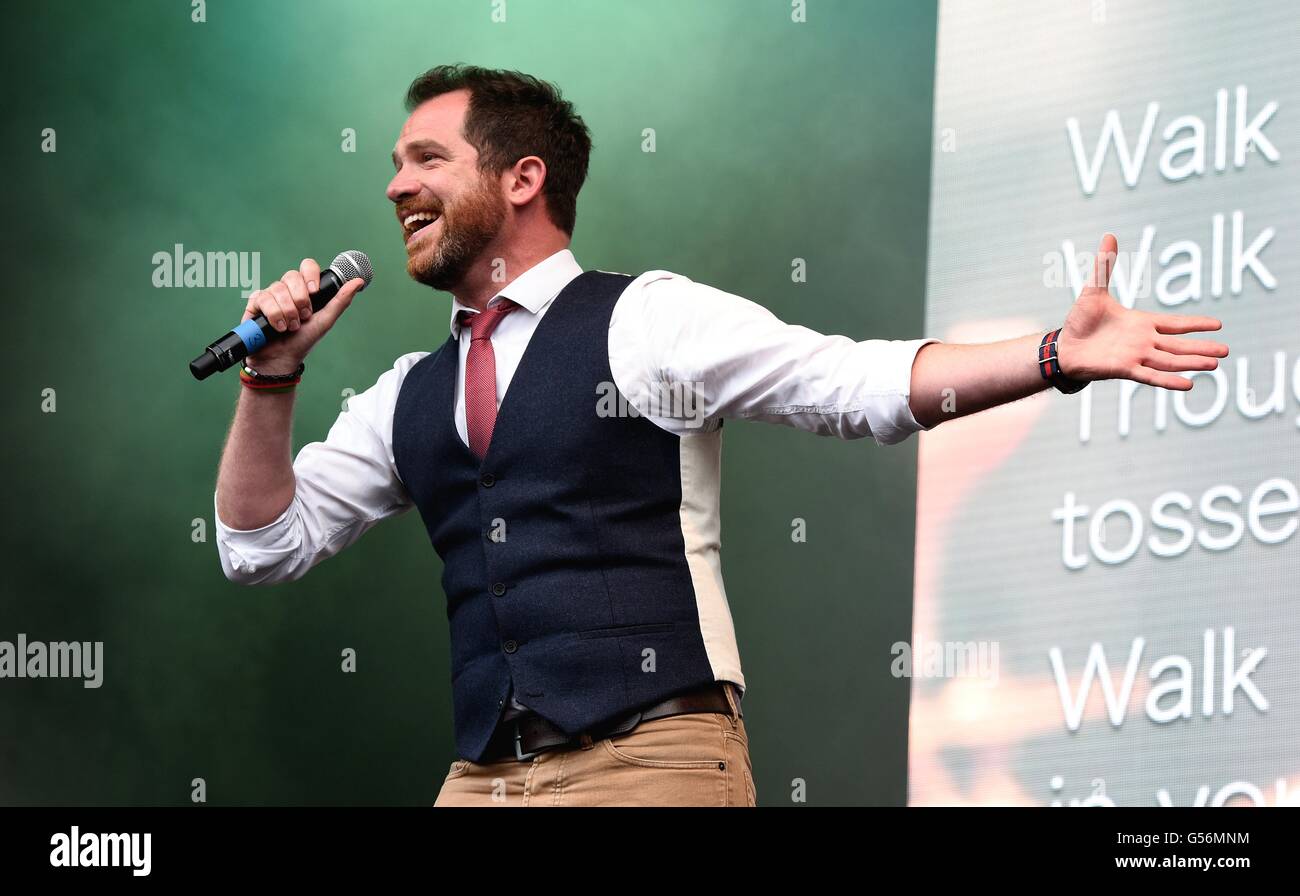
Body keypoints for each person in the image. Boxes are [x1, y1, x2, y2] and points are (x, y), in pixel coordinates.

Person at [212, 65, 1229, 807]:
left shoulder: (647, 318)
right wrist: (272, 373)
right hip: (482, 778)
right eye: (393, 165)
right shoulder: (408, 392)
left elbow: (858, 383)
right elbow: (259, 547)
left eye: (426, 159)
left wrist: (1052, 350)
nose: (394, 186)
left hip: (649, 763)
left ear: (523, 179)